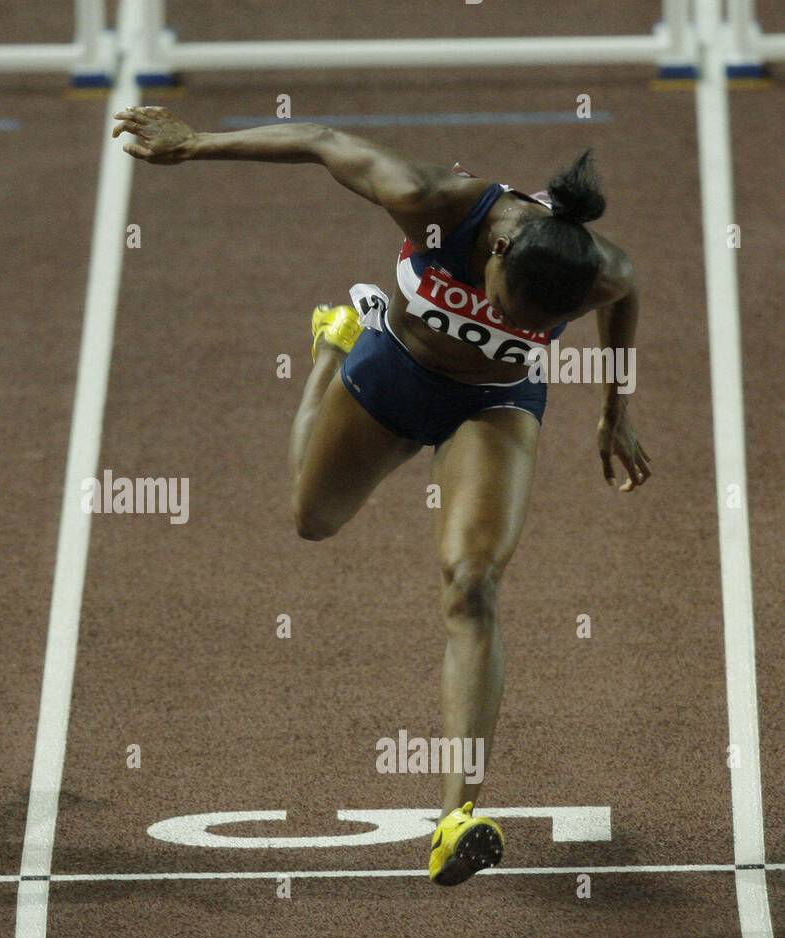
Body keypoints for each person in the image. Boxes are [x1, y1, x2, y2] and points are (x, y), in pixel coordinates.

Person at [112, 106, 649, 885]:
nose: (505, 321)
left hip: (494, 408)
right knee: (312, 520)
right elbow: (323, 141)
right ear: (496, 249)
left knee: (473, 585)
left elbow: (625, 301)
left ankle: (458, 814)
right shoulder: (434, 201)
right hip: (392, 375)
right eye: (502, 304)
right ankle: (338, 337)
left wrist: (615, 408)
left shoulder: (598, 268)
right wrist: (196, 144)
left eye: (531, 324)